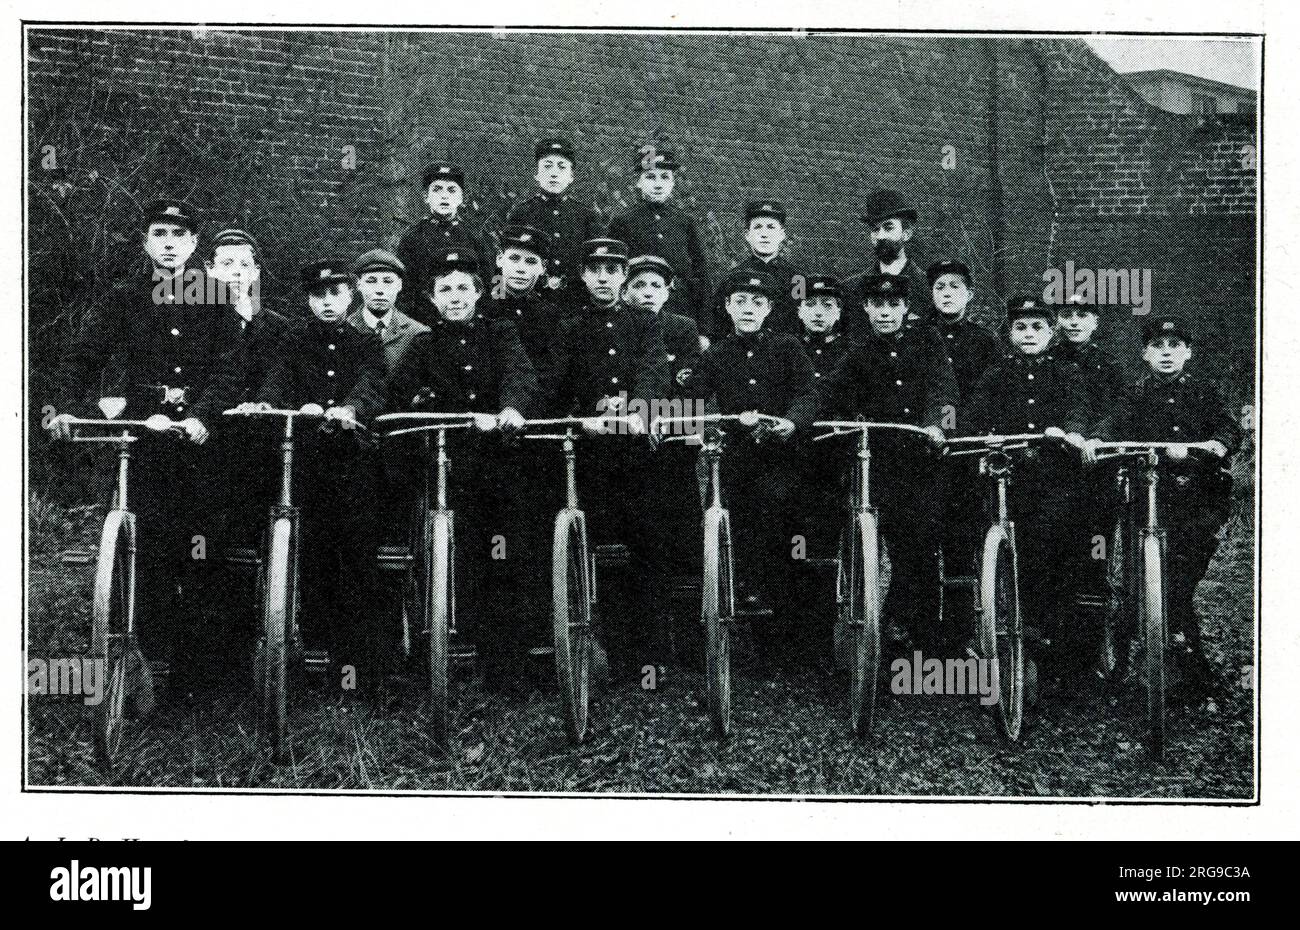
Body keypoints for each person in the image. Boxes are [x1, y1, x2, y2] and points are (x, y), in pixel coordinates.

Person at [47, 199, 242, 693]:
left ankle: (201, 677)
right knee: (147, 549)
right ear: (146, 242)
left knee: (202, 549)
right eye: (161, 233)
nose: (171, 243)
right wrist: (69, 408)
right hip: (143, 438)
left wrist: (203, 414)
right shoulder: (123, 296)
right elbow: (83, 354)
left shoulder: (217, 296)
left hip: (201, 441)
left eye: (180, 234)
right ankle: (143, 666)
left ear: (195, 244)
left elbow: (231, 368)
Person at [386, 247, 540, 687]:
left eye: (462, 289)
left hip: (496, 464)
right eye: (444, 290)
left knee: (501, 552)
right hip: (444, 464)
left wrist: (511, 409)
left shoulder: (501, 334)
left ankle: (504, 663)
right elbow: (398, 395)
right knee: (444, 555)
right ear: (432, 299)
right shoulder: (423, 344)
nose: (454, 297)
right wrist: (423, 405)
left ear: (478, 293)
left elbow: (520, 374)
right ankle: (432, 654)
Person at [251, 260, 387, 690]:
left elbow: (372, 384)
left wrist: (350, 409)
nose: (327, 303)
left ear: (350, 297)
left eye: (335, 294)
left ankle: (356, 668)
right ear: (308, 300)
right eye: (318, 296)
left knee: (357, 558)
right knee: (309, 555)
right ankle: (308, 651)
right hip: (305, 460)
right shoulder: (294, 338)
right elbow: (277, 379)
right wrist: (266, 404)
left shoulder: (366, 342)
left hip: (351, 461)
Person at [1091, 315, 1242, 698]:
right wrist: (1098, 440)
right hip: (1148, 495)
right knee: (1138, 580)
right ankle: (1131, 660)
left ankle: (1186, 666)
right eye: (1158, 346)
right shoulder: (1135, 394)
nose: (1167, 354)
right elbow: (1113, 422)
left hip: (1196, 500)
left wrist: (1216, 445)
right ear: (1145, 354)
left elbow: (1226, 425)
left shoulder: (1204, 393)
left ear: (1188, 353)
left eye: (1174, 347)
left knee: (1179, 582)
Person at [679, 269, 818, 670]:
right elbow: (692, 398)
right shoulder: (716, 355)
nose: (748, 310)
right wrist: (715, 422)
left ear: (770, 309)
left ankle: (786, 645)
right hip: (736, 462)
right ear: (727, 307)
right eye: (740, 302)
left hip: (782, 461)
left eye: (757, 303)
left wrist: (792, 421)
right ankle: (733, 625)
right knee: (729, 529)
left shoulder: (788, 348)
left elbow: (808, 392)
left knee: (788, 540)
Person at [544, 238, 669, 679]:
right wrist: (580, 419)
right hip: (591, 453)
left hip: (636, 451)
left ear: (622, 276)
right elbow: (556, 383)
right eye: (595, 270)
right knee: (594, 548)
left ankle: (649, 655)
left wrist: (640, 408)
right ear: (583, 275)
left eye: (612, 270)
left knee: (647, 548)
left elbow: (655, 370)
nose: (603, 278)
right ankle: (601, 649)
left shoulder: (644, 323)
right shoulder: (570, 326)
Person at [814, 274, 955, 658]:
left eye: (893, 305)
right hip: (881, 464)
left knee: (922, 547)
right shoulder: (860, 353)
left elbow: (944, 390)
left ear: (906, 308)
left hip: (923, 461)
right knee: (887, 541)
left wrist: (935, 424)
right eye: (878, 305)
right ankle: (883, 635)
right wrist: (804, 420)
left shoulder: (928, 342)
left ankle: (922, 637)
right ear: (866, 309)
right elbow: (829, 390)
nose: (886, 312)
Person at [963, 296, 1091, 688]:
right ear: (1010, 334)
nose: (1029, 334)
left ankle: (1045, 635)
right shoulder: (996, 374)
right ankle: (987, 620)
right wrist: (986, 435)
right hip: (1008, 475)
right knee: (986, 536)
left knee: (1052, 545)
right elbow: (973, 413)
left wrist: (1067, 431)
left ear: (1051, 334)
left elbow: (1080, 408)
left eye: (1037, 327)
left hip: (1052, 478)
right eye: (1021, 327)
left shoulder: (1066, 373)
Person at [608, 148, 712, 345]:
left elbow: (701, 274)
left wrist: (704, 329)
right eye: (650, 177)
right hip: (636, 313)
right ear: (639, 181)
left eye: (665, 177)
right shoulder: (623, 221)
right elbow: (614, 271)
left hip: (679, 311)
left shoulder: (685, 222)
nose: (658, 184)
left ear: (673, 183)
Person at [506, 138, 605, 307]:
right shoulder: (521, 213)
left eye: (562, 167)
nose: (554, 173)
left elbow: (595, 265)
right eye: (547, 166)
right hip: (529, 302)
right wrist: (499, 304)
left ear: (571, 176)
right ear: (536, 174)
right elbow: (505, 264)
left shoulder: (587, 215)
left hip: (575, 303)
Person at [394, 161, 489, 321]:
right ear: (426, 197)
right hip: (426, 321)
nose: (444, 196)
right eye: (437, 189)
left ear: (461, 198)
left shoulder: (475, 235)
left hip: (469, 319)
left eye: (451, 190)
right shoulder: (413, 237)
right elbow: (405, 289)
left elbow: (490, 279)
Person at [708, 201, 806, 339]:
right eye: (758, 227)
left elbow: (801, 320)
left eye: (771, 227)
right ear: (747, 235)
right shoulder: (734, 277)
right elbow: (720, 322)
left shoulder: (797, 278)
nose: (764, 234)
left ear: (782, 234)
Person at [841, 189, 931, 337]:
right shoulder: (852, 289)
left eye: (888, 227)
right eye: (875, 229)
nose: (881, 235)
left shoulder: (927, 286)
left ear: (906, 234)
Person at [927, 259, 999, 404]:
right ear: (932, 294)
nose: (947, 294)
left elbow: (991, 391)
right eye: (939, 288)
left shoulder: (985, 340)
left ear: (970, 294)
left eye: (955, 287)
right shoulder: (920, 335)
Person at [347, 249, 430, 375]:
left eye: (388, 281)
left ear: (399, 285)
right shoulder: (345, 331)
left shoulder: (417, 334)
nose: (380, 290)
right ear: (359, 285)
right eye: (371, 281)